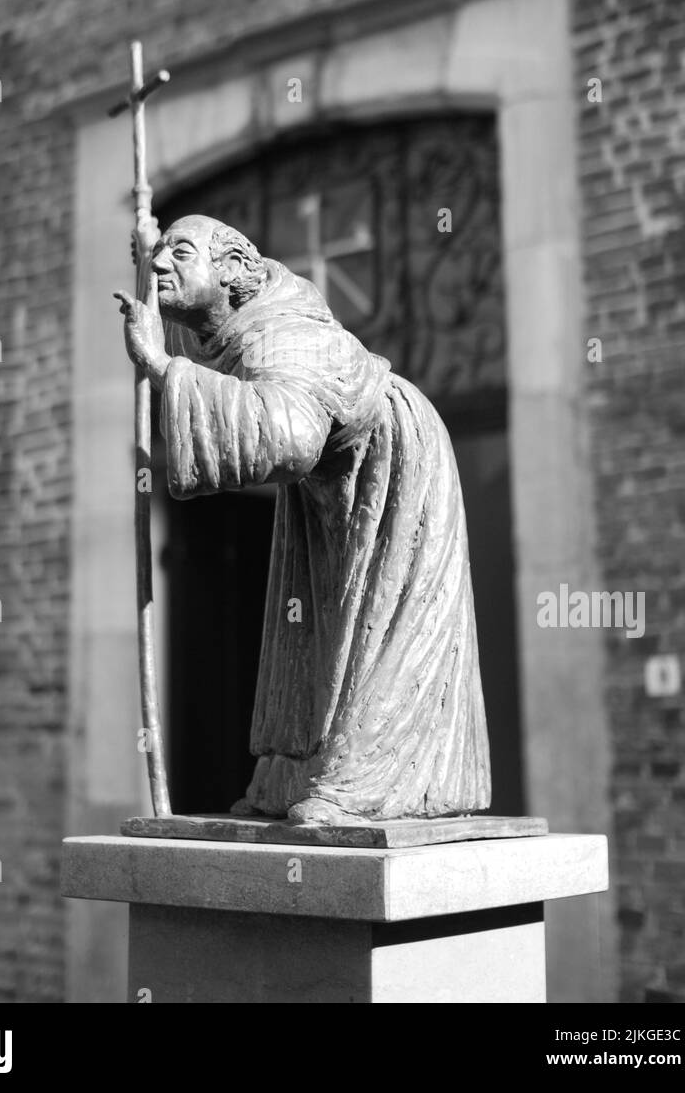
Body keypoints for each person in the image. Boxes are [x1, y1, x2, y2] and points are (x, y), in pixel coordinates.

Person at [115, 214, 490, 824]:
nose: (160, 265)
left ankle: (371, 786)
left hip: (394, 467)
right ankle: (295, 775)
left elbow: (289, 438)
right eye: (159, 254)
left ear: (235, 271)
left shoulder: (281, 333)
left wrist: (159, 368)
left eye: (179, 253)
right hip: (329, 487)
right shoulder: (221, 331)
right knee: (314, 626)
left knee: (383, 619)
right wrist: (147, 255)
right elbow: (211, 371)